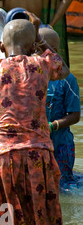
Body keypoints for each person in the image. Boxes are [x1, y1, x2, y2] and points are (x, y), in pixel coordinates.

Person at [0, 18, 70, 225]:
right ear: (33, 46)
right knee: (39, 222)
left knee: (5, 223)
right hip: (37, 155)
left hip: (0, 157)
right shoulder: (42, 64)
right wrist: (40, 39)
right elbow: (64, 70)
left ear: (1, 46)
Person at [40, 27, 81, 190]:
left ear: (53, 51)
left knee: (61, 187)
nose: (35, 54)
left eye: (39, 49)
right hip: (37, 144)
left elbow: (75, 115)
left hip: (61, 145)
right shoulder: (31, 75)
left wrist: (53, 125)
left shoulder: (67, 80)